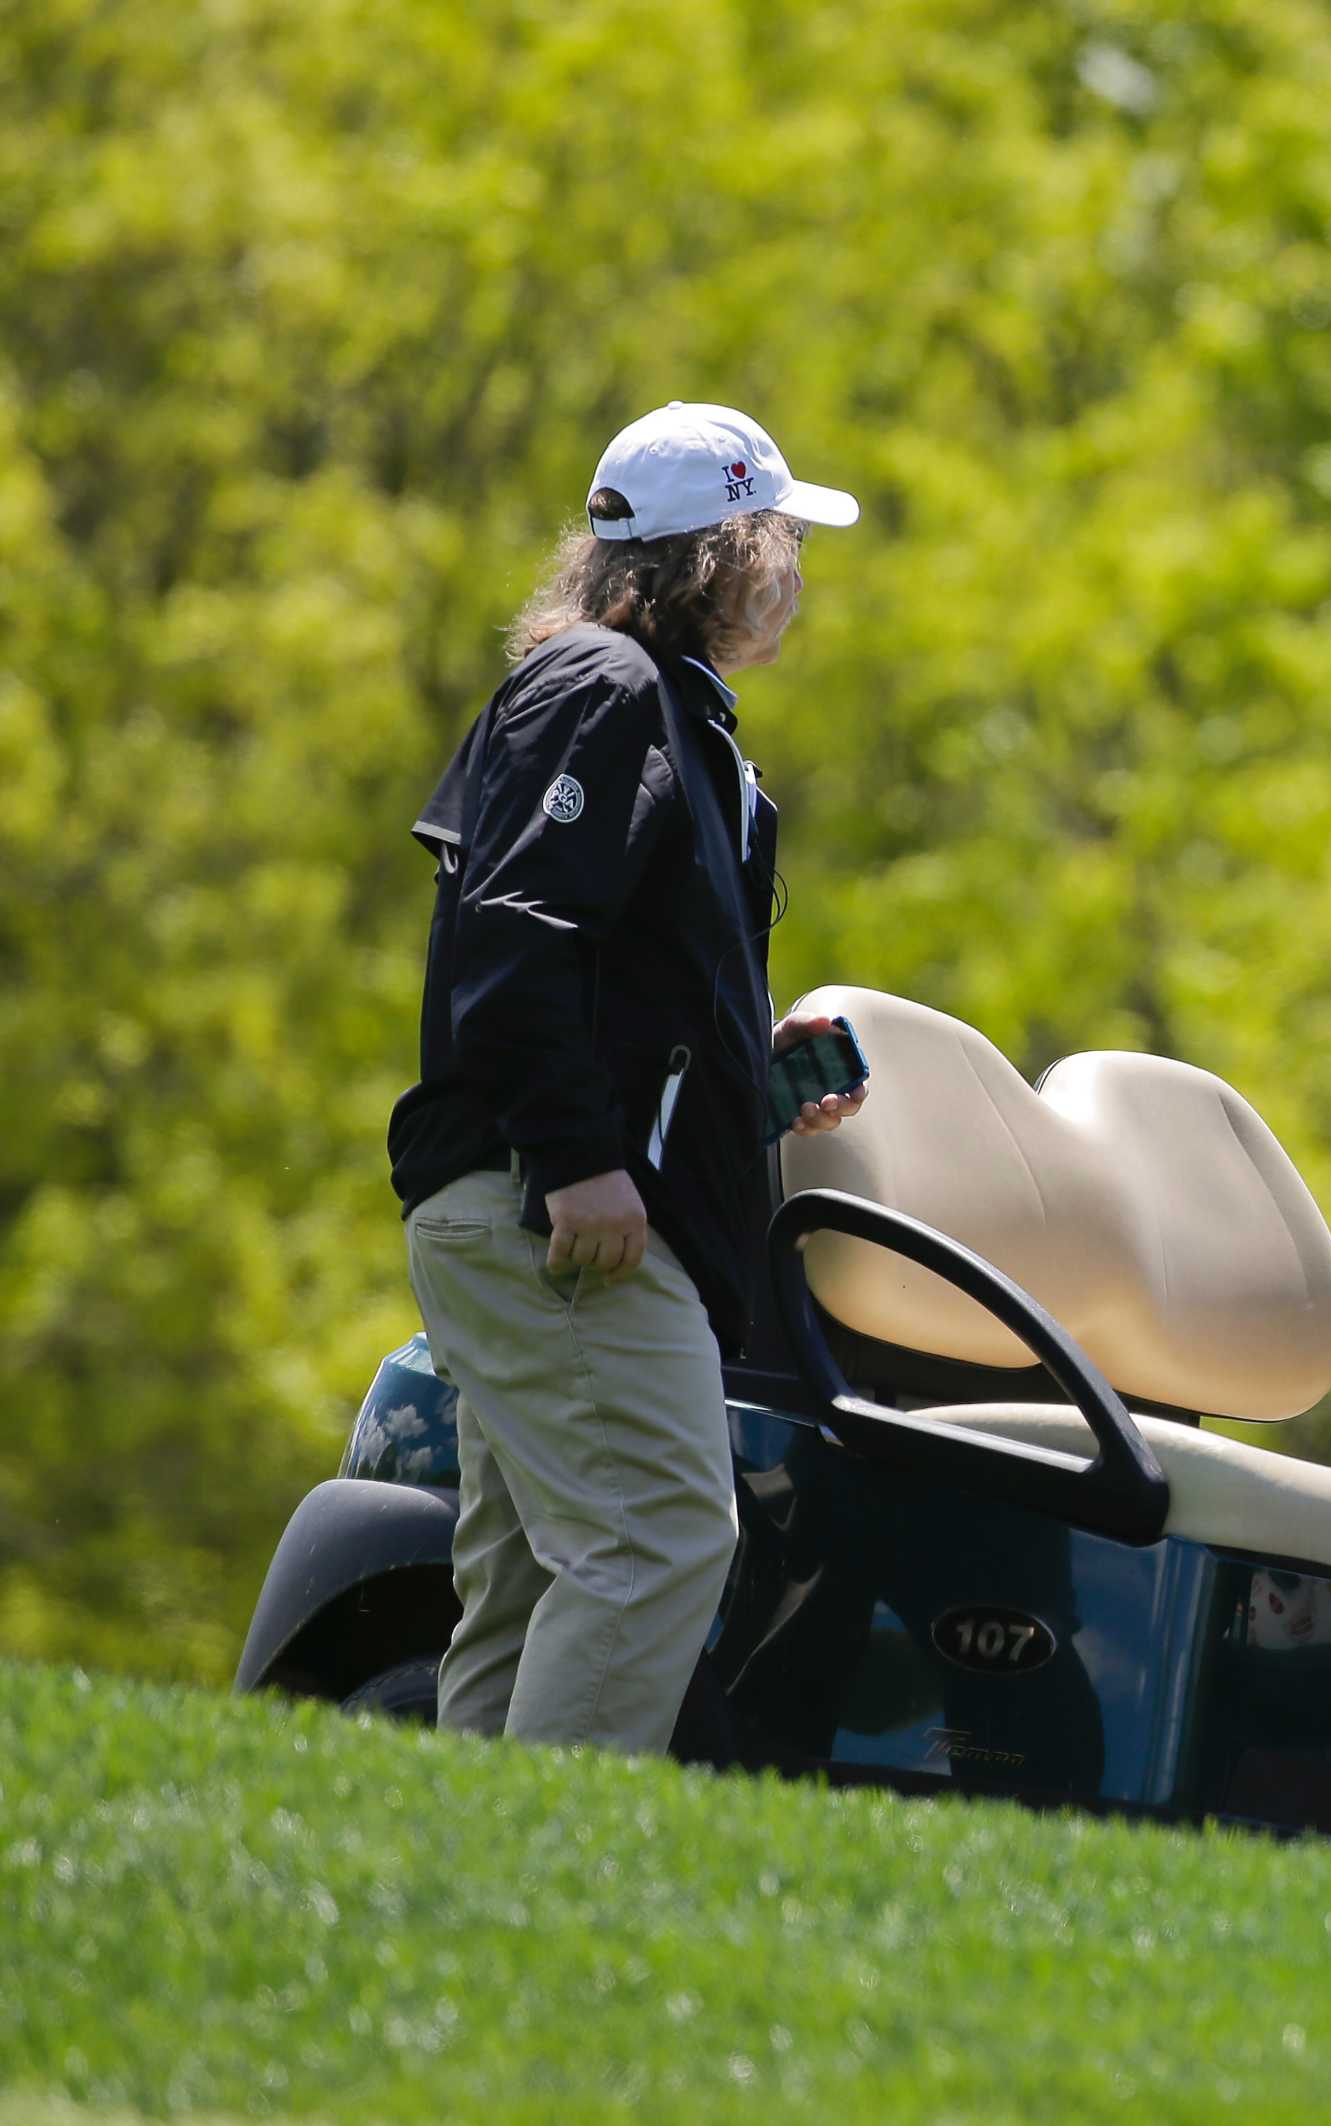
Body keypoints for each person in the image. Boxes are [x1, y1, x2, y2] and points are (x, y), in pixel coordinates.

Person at [385, 401, 867, 1753]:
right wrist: (582, 1161)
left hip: (551, 1213)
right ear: (729, 554)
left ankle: (459, 1906)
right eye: (784, 541)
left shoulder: (665, 715)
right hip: (564, 1220)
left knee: (529, 1582)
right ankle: (532, 1915)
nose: (799, 578)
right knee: (659, 1536)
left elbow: (598, 989)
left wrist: (750, 1079)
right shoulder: (604, 686)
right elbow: (516, 934)